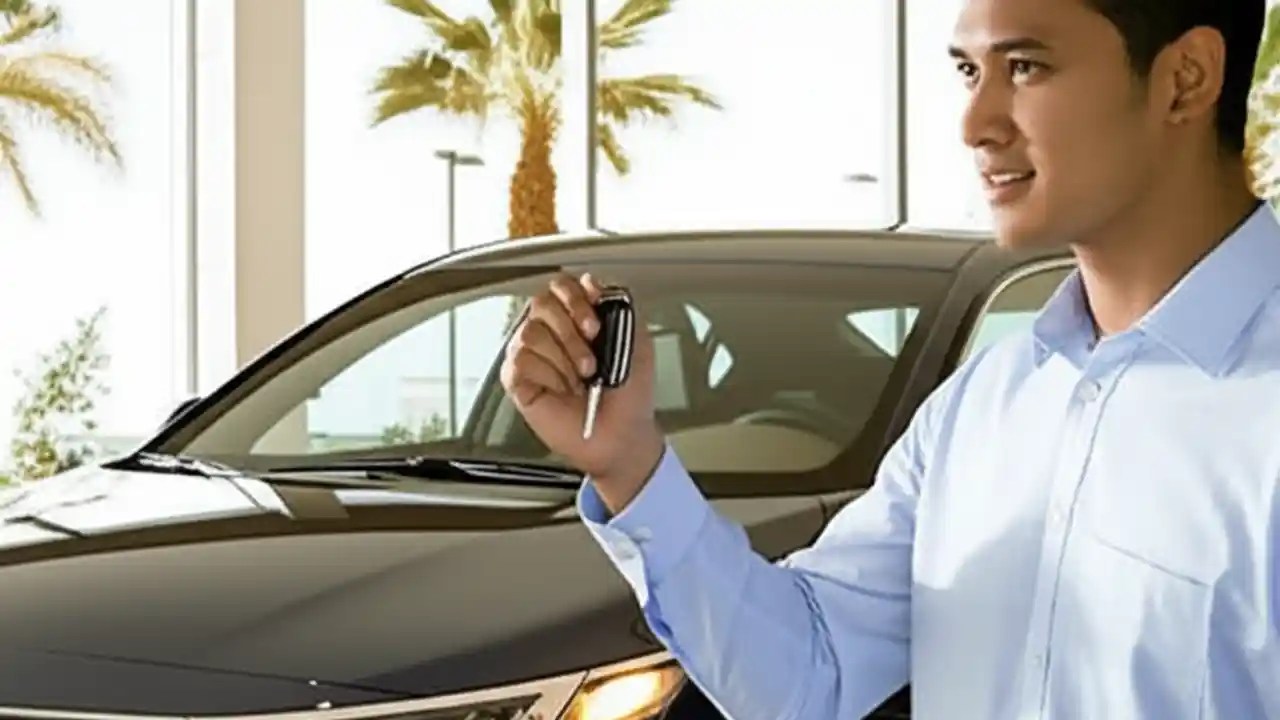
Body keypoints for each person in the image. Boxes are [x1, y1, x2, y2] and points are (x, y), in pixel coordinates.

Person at [500, 0, 1280, 717]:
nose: (975, 122)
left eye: (1026, 67)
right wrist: (629, 464)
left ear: (1185, 80)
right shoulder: (978, 412)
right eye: (969, 72)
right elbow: (811, 675)